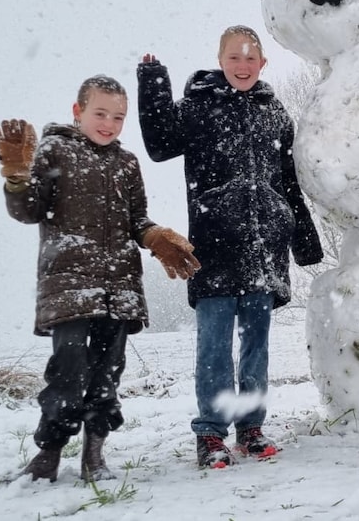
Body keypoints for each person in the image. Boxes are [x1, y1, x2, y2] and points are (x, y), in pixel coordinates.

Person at [0, 75, 200, 482]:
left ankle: (94, 455)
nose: (109, 123)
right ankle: (47, 455)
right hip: (69, 285)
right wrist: (17, 177)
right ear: (78, 111)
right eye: (100, 113)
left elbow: (136, 219)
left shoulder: (127, 163)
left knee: (107, 375)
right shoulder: (55, 150)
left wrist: (156, 237)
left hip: (119, 287)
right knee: (67, 372)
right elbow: (29, 211)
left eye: (118, 117)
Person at [136, 25, 324, 469]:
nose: (242, 65)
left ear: (263, 63)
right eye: (234, 57)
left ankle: (251, 428)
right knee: (215, 347)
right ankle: (211, 434)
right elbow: (160, 145)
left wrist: (304, 239)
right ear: (221, 60)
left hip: (264, 249)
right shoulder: (198, 107)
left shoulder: (275, 113)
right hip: (214, 246)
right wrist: (153, 85)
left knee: (256, 346)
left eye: (250, 57)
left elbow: (289, 183)